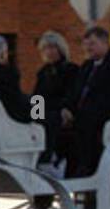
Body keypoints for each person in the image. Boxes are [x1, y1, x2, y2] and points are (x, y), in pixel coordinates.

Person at [62, 25, 110, 180]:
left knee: (81, 125)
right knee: (46, 121)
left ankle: (83, 169)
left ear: (105, 43)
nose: (87, 47)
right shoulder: (43, 72)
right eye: (85, 44)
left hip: (103, 114)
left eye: (92, 43)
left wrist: (80, 111)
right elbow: (72, 93)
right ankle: (55, 164)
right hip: (50, 107)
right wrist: (66, 109)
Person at [32, 30, 80, 166]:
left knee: (49, 122)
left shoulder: (71, 69)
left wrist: (66, 109)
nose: (49, 52)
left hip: (62, 112)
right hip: (45, 112)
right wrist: (34, 114)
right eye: (45, 48)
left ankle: (48, 159)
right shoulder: (43, 72)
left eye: (52, 47)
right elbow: (37, 96)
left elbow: (73, 93)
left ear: (61, 49)